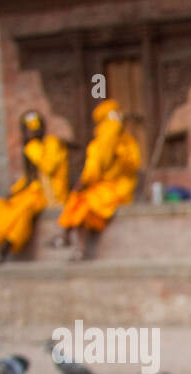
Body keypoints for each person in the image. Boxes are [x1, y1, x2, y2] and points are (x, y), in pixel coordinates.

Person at [53, 99, 141, 259]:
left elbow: (132, 166)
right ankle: (71, 240)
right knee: (79, 201)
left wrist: (119, 155)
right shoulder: (99, 144)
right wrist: (83, 183)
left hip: (119, 189)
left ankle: (70, 240)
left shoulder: (127, 144)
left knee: (86, 202)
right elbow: (92, 171)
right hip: (101, 188)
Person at [0, 111, 68, 263]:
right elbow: (29, 177)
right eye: (28, 130)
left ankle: (4, 250)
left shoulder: (52, 143)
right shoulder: (30, 148)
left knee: (22, 210)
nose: (31, 133)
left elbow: (49, 168)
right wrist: (14, 191)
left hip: (48, 195)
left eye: (34, 129)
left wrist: (34, 148)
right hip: (30, 191)